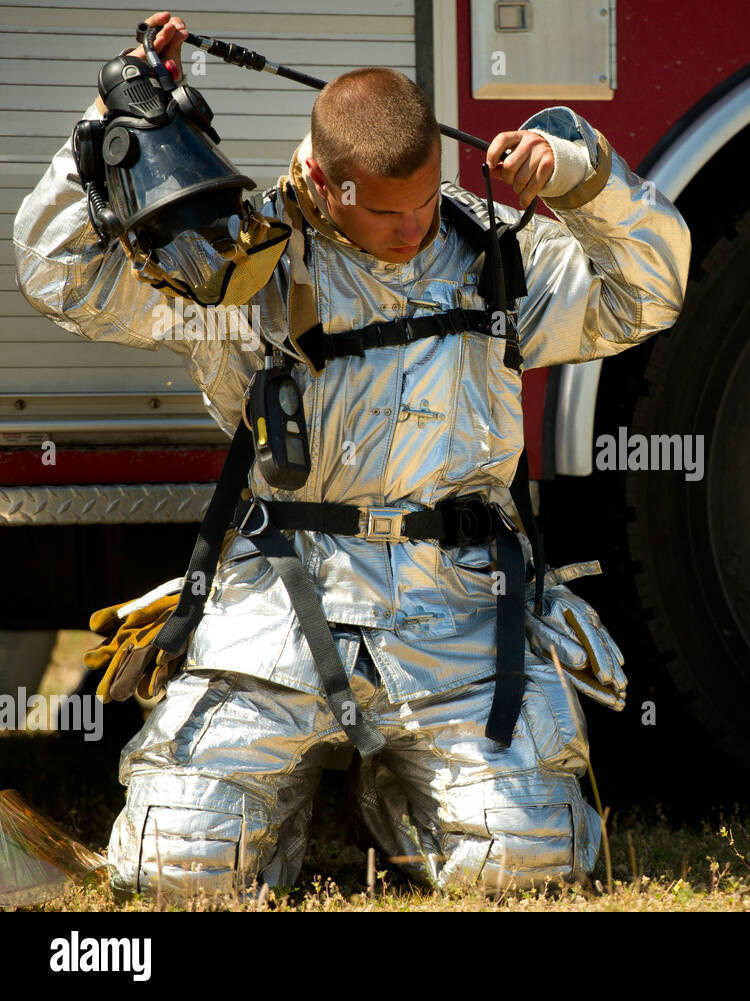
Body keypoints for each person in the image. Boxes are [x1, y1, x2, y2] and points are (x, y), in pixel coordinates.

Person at [13, 11, 690, 898]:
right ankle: (280, 810)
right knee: (184, 866)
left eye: (423, 202)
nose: (414, 228)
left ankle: (399, 797)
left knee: (528, 864)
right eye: (384, 210)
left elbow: (650, 292)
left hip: (458, 612)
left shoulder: (491, 258)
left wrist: (585, 173)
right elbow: (61, 274)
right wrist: (115, 133)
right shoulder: (236, 265)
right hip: (278, 608)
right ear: (323, 181)